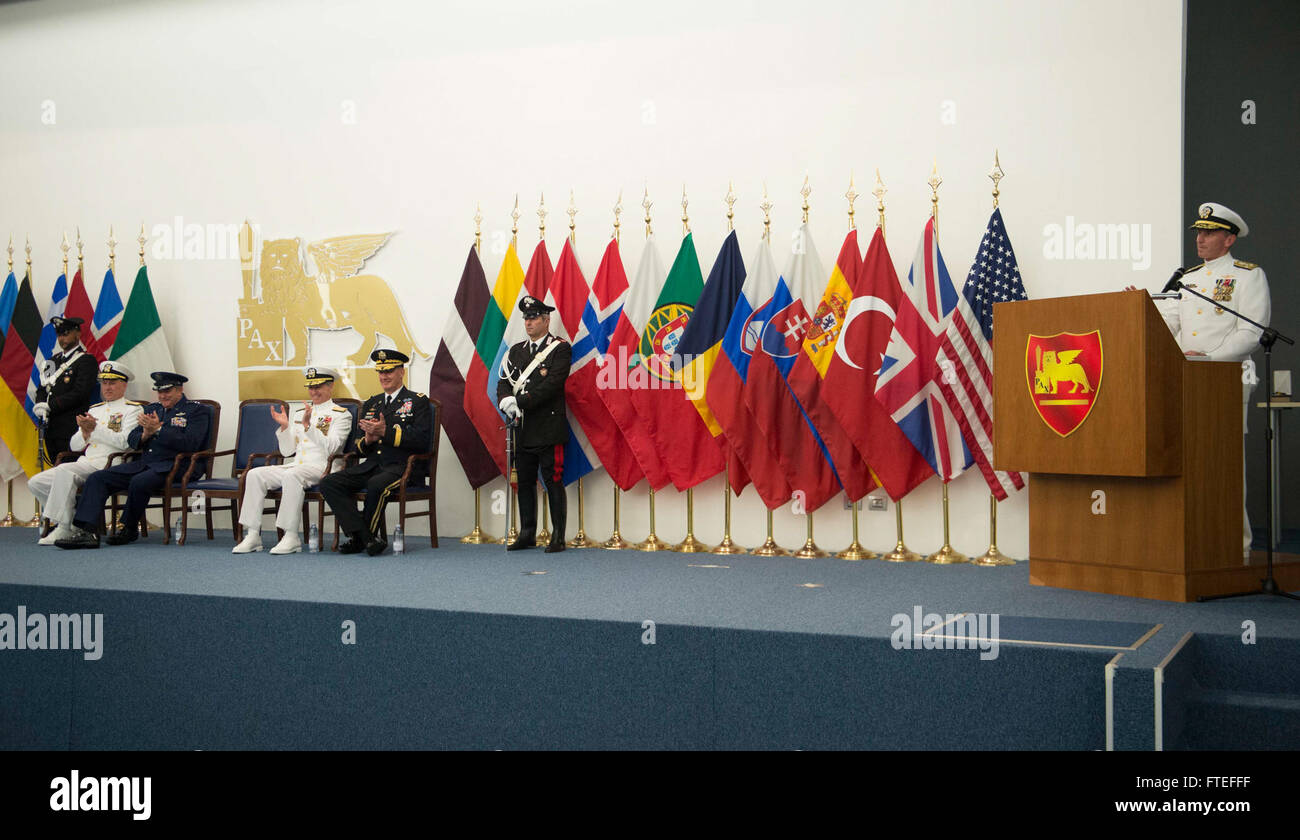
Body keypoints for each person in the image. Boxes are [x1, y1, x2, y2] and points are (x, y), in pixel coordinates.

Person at [1155, 202, 1270, 558]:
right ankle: (1194, 542)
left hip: (1224, 380)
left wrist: (1211, 360)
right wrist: (1142, 307)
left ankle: (1237, 547)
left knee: (1224, 465)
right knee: (1189, 465)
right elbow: (1167, 322)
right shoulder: (1187, 279)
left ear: (1229, 239)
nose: (1200, 239)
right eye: (1198, 233)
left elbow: (1252, 332)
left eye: (1209, 233)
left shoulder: (1247, 275)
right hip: (1187, 383)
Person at [56, 371, 213, 549]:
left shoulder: (197, 410)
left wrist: (159, 431)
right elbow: (132, 439)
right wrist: (145, 434)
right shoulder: (153, 409)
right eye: (160, 392)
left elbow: (191, 443)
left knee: (139, 481)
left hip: (179, 465)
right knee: (98, 478)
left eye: (167, 392)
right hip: (147, 463)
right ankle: (87, 532)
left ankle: (129, 528)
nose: (163, 396)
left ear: (180, 390)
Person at [319, 349, 431, 556]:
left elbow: (422, 441)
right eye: (380, 372)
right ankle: (366, 538)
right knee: (328, 482)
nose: (384, 376)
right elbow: (357, 447)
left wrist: (385, 432)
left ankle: (358, 539)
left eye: (389, 371)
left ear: (401, 372)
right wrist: (368, 440)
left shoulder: (417, 401)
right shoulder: (372, 403)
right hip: (373, 465)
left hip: (402, 467)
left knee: (376, 484)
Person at [232, 367, 352, 555]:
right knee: (254, 474)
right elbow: (287, 451)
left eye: (318, 387)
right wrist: (285, 427)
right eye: (310, 387)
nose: (313, 392)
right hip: (297, 465)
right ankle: (253, 534)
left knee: (292, 475)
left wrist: (309, 427)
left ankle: (290, 536)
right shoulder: (298, 413)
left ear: (331, 387)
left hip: (323, 467)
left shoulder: (341, 414)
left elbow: (333, 448)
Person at [30, 361, 144, 545]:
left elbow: (124, 443)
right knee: (36, 482)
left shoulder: (133, 409)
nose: (107, 387)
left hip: (111, 465)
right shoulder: (94, 409)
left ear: (124, 385)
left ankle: (64, 528)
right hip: (86, 462)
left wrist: (95, 428)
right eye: (104, 383)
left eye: (112, 383)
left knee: (64, 472)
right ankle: (71, 521)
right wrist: (84, 432)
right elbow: (74, 446)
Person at [497, 295, 570, 553]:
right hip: (522, 429)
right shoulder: (515, 351)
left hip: (548, 428)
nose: (528, 323)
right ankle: (528, 533)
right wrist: (506, 400)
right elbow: (503, 380)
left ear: (546, 320)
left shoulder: (560, 348)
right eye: (526, 318)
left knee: (553, 481)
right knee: (525, 481)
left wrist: (521, 402)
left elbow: (552, 384)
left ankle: (558, 536)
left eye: (533, 318)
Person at [32, 315, 99, 464]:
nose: (62, 338)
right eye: (59, 335)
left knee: (68, 469)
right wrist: (40, 406)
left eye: (66, 333)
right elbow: (42, 389)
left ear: (78, 333)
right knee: (54, 470)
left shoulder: (86, 360)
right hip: (50, 427)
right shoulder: (51, 362)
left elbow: (80, 393)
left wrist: (50, 406)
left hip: (70, 427)